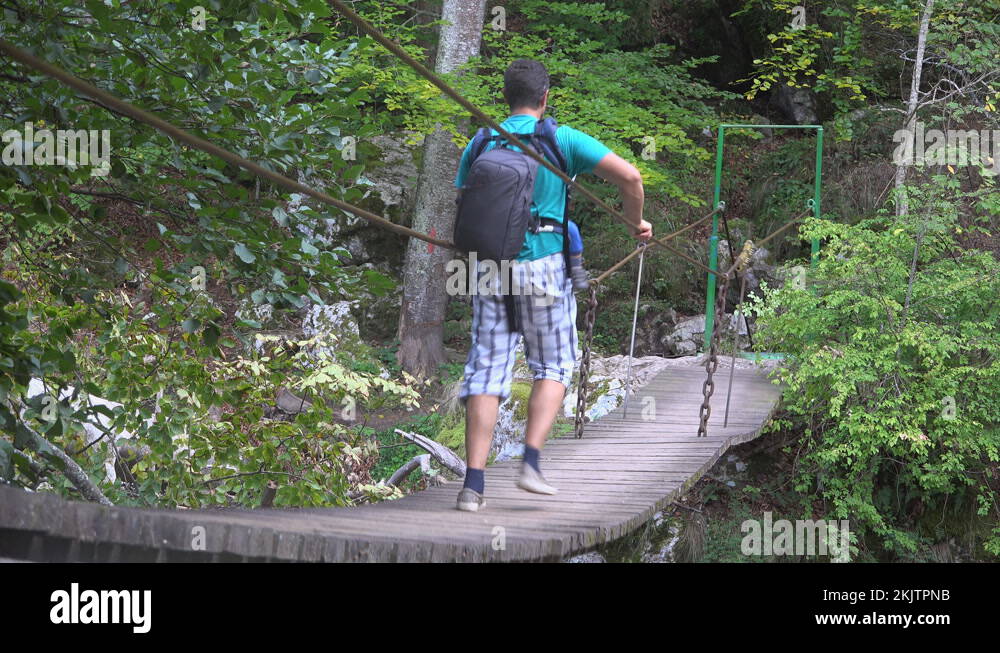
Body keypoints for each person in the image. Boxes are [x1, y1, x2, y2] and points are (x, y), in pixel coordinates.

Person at [453, 58, 651, 512]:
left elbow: (463, 205)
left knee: (485, 372)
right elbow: (631, 177)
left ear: (506, 98)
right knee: (554, 366)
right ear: (545, 98)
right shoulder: (562, 139)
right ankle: (531, 463)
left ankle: (473, 486)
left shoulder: (482, 140)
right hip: (543, 267)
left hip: (488, 270)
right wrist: (634, 222)